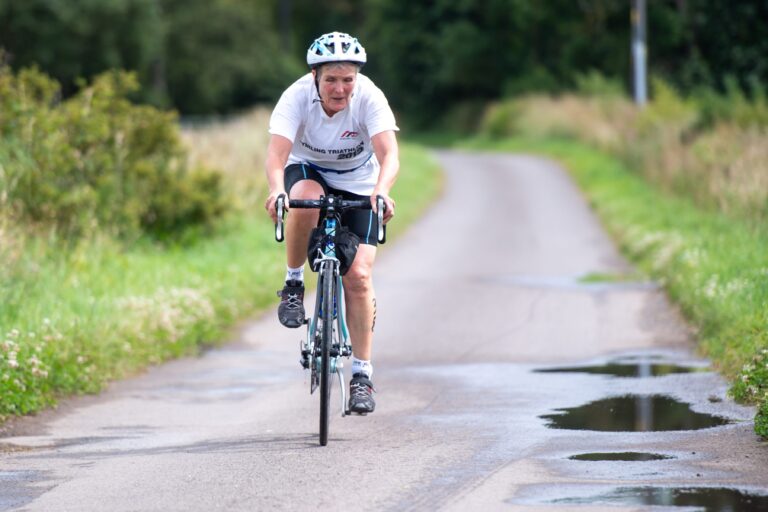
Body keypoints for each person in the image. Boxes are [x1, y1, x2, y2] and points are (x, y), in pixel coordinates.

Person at [264, 32, 399, 414]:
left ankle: (361, 376)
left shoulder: (370, 97)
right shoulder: (295, 98)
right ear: (314, 77)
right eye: (331, 80)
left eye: (347, 80)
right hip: (309, 170)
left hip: (358, 180)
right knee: (306, 198)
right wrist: (277, 190)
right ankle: (293, 284)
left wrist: (382, 190)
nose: (340, 89)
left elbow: (389, 153)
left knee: (358, 277)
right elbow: (276, 155)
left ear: (357, 79)